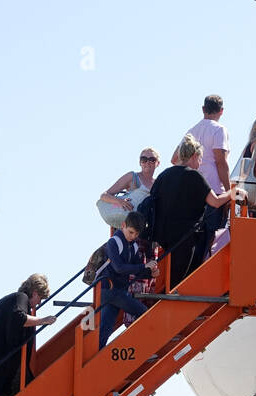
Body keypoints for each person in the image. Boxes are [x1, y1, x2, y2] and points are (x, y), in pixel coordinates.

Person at [146, 134, 237, 284]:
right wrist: (234, 191)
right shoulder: (194, 176)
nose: (200, 163)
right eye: (200, 159)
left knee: (170, 277)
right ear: (194, 156)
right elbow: (215, 202)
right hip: (185, 237)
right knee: (182, 280)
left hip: (162, 236)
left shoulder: (163, 175)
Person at [98, 211, 159, 348]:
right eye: (131, 232)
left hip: (116, 291)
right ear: (123, 225)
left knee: (106, 327)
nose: (133, 236)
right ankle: (139, 346)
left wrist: (151, 274)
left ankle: (94, 358)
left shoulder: (134, 246)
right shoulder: (113, 242)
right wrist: (144, 266)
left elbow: (137, 272)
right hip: (109, 290)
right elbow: (119, 268)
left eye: (136, 234)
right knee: (143, 312)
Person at [185, 95, 232, 251]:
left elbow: (175, 159)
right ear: (222, 111)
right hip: (214, 191)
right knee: (212, 237)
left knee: (195, 238)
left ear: (203, 109)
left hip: (193, 192)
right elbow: (221, 162)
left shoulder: (191, 131)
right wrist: (229, 190)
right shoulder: (219, 129)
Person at [97, 147, 160, 229]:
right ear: (140, 162)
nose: (147, 162)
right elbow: (104, 196)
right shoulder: (132, 176)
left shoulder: (158, 184)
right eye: (144, 159)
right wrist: (120, 201)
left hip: (145, 226)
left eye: (152, 159)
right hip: (129, 226)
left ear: (158, 163)